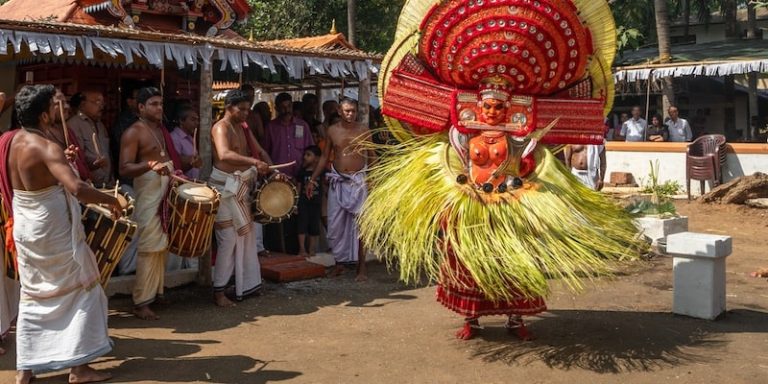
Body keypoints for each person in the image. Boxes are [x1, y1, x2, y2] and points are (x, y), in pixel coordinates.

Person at [359, 0, 644, 341]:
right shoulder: (462, 133)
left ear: (510, 106)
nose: (493, 111)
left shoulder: (522, 136)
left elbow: (535, 160)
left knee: (515, 262)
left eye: (498, 106)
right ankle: (472, 320)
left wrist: (527, 172)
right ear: (477, 105)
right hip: (471, 203)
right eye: (488, 105)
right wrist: (453, 189)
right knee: (468, 262)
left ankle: (515, 319)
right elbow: (450, 155)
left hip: (511, 203)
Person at [1, 84, 122, 384]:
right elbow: (78, 188)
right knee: (85, 291)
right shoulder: (46, 147)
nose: (63, 109)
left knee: (32, 296)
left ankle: (24, 370)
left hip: (28, 229)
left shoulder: (10, 141)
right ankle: (79, 369)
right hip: (53, 232)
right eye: (57, 106)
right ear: (44, 115)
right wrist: (112, 200)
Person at [119, 87, 180, 320]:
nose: (159, 108)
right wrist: (149, 166)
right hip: (148, 194)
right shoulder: (133, 132)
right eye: (153, 104)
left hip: (165, 191)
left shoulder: (160, 130)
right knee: (148, 247)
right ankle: (141, 301)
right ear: (141, 107)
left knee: (162, 245)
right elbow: (124, 168)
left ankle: (155, 292)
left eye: (161, 103)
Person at [208, 90, 270, 307]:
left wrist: (271, 169)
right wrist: (253, 163)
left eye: (247, 109)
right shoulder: (220, 127)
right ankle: (219, 292)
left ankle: (245, 285)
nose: (246, 113)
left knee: (246, 237)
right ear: (229, 107)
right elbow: (224, 154)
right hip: (224, 189)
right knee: (228, 240)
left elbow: (259, 151)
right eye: (241, 109)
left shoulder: (243, 127)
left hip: (240, 187)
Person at [307, 98, 374, 282]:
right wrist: (313, 179)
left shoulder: (364, 130)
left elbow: (372, 157)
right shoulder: (332, 131)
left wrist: (372, 180)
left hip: (358, 181)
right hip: (338, 180)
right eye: (346, 111)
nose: (350, 114)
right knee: (335, 226)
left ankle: (362, 267)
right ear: (339, 110)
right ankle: (339, 264)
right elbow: (324, 158)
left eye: (353, 111)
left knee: (362, 225)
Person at [67, 89, 113, 186]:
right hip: (90, 184)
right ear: (82, 105)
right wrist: (94, 165)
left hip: (108, 183)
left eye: (102, 102)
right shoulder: (74, 124)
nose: (101, 106)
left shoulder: (100, 125)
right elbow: (77, 159)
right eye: (96, 102)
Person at [263, 93, 314, 178]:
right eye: (283, 107)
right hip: (278, 176)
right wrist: (273, 172)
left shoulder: (302, 125)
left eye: (289, 106)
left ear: (292, 106)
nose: (287, 110)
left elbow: (311, 149)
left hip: (300, 175)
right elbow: (265, 152)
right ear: (277, 109)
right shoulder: (270, 127)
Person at [297, 145, 324, 257]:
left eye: (308, 155)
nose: (305, 157)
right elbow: (298, 188)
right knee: (302, 225)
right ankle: (302, 249)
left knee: (314, 226)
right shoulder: (302, 172)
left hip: (316, 203)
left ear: (317, 158)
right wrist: (295, 203)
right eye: (305, 154)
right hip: (303, 202)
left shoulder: (322, 172)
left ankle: (312, 249)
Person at [170, 108, 202, 180]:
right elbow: (176, 164)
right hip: (183, 185)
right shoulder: (175, 138)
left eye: (197, 120)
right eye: (193, 120)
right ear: (181, 121)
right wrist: (192, 162)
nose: (197, 123)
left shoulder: (190, 137)